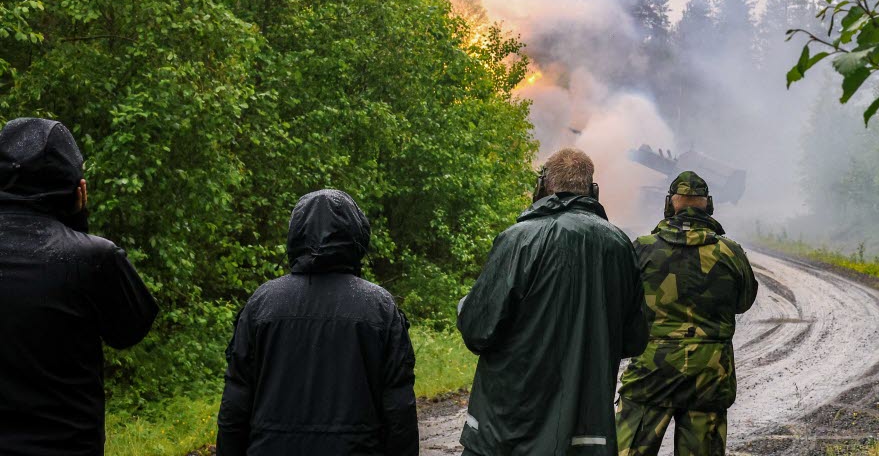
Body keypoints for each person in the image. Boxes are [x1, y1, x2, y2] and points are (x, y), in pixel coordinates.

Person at [457, 147, 649, 455]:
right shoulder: (620, 246)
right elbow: (635, 340)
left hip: (506, 433)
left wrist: (467, 305)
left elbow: (477, 331)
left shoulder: (518, 239)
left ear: (542, 187)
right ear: (593, 191)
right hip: (585, 436)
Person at [217, 189, 418, 456]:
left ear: (296, 235)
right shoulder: (379, 307)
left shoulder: (262, 303)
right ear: (356, 235)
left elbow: (236, 402)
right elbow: (399, 409)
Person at [0, 117, 158, 456]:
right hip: (67, 445)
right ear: (78, 189)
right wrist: (77, 227)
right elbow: (129, 330)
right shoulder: (93, 258)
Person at [615, 171, 758, 456]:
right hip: (710, 374)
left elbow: (622, 303)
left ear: (670, 205)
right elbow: (743, 302)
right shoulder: (730, 252)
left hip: (652, 370)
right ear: (709, 205)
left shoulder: (642, 249)